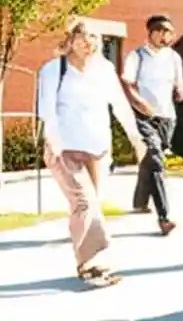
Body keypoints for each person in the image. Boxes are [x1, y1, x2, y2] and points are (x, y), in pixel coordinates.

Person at [37, 20, 147, 286]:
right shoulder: (54, 70)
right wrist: (55, 143)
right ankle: (90, 264)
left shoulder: (105, 69)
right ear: (70, 40)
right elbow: (47, 110)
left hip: (98, 147)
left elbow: (119, 105)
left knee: (88, 204)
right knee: (84, 201)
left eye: (95, 37)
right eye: (83, 36)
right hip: (64, 147)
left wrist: (136, 139)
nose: (89, 41)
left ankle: (88, 259)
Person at [121, 13, 183, 236]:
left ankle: (140, 201)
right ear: (150, 33)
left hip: (167, 117)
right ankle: (164, 217)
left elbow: (180, 85)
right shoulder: (137, 56)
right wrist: (138, 101)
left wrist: (181, 91)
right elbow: (127, 83)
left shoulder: (174, 58)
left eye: (168, 31)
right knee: (157, 159)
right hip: (143, 116)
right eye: (159, 30)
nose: (164, 35)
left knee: (151, 159)